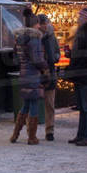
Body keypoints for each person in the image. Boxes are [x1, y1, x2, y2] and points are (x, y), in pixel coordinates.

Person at [9, 11, 47, 146]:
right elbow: (37, 59)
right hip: (33, 75)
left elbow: (15, 57)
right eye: (38, 24)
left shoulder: (20, 38)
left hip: (24, 74)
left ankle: (15, 135)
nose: (39, 26)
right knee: (34, 104)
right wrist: (45, 66)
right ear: (34, 24)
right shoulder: (35, 38)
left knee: (25, 105)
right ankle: (32, 137)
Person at [65, 8, 87, 147]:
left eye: (80, 16)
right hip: (80, 74)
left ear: (86, 18)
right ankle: (81, 135)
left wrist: (77, 62)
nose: (78, 19)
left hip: (86, 75)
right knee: (83, 107)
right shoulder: (84, 31)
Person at [37, 13, 59, 142]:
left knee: (50, 104)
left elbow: (57, 52)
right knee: (33, 103)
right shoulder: (33, 38)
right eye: (42, 24)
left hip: (50, 73)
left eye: (45, 23)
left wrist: (54, 58)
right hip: (37, 73)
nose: (44, 26)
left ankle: (50, 131)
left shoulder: (51, 37)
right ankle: (31, 130)